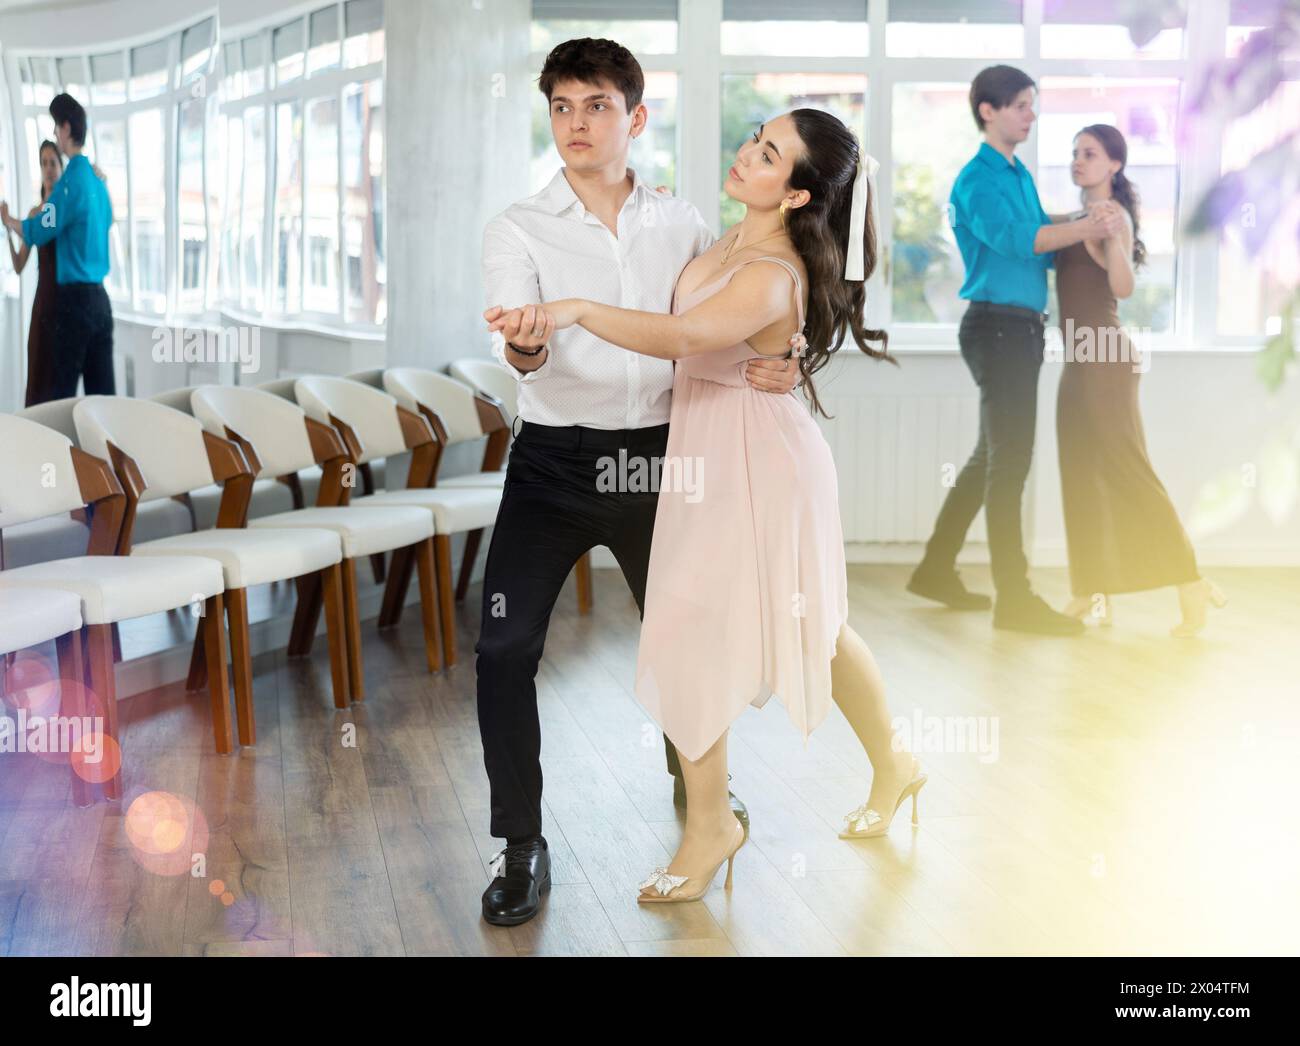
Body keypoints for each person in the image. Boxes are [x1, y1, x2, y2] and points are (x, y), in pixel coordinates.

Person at [491, 107, 925, 905]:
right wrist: (792, 349)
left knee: (803, 627)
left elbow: (685, 338)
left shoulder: (771, 268)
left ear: (796, 195)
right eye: (756, 139)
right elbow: (732, 331)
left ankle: (741, 812)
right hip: (702, 451)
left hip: (759, 459)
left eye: (768, 155)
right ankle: (752, 808)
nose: (745, 155)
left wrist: (574, 308)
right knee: (729, 628)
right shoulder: (719, 236)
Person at [474, 38, 800, 927]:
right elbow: (521, 350)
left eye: (597, 106)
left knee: (689, 641)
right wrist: (528, 345)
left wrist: (793, 353)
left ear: (636, 117)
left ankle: (700, 799)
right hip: (550, 464)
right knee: (503, 648)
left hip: (660, 457)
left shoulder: (684, 223)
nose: (576, 123)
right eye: (562, 107)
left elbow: (749, 301)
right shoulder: (517, 227)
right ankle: (520, 845)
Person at [905, 66, 1124, 635]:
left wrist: (1084, 218)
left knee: (990, 457)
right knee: (1011, 463)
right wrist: (1086, 227)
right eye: (1022, 105)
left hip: (1016, 330)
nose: (1031, 115)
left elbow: (1042, 233)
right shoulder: (978, 179)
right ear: (989, 111)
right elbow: (1021, 240)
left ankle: (934, 569)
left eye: (1032, 105)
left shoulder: (1016, 173)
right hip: (998, 329)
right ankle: (1016, 599)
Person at [1054, 124, 1226, 637]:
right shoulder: (1077, 218)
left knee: (1127, 468)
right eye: (1075, 152)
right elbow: (1041, 230)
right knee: (1080, 470)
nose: (1078, 160)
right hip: (1080, 356)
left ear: (1114, 164)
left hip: (1106, 357)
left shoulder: (1113, 216)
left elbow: (1123, 287)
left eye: (1089, 153)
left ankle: (1191, 581)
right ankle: (1091, 589)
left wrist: (1115, 238)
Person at [1, 93, 114, 399]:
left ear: (65, 128)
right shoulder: (98, 182)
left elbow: (39, 229)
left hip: (74, 303)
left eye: (55, 127)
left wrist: (9, 220)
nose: (54, 133)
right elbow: (107, 221)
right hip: (101, 302)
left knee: (58, 399)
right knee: (103, 397)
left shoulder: (68, 185)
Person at [6, 140, 62, 406]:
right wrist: (8, 230)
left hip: (66, 301)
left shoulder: (63, 209)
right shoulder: (34, 213)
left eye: (53, 163)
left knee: (59, 380)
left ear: (61, 167)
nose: (48, 169)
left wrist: (12, 222)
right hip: (43, 301)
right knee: (38, 375)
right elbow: (19, 265)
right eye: (43, 163)